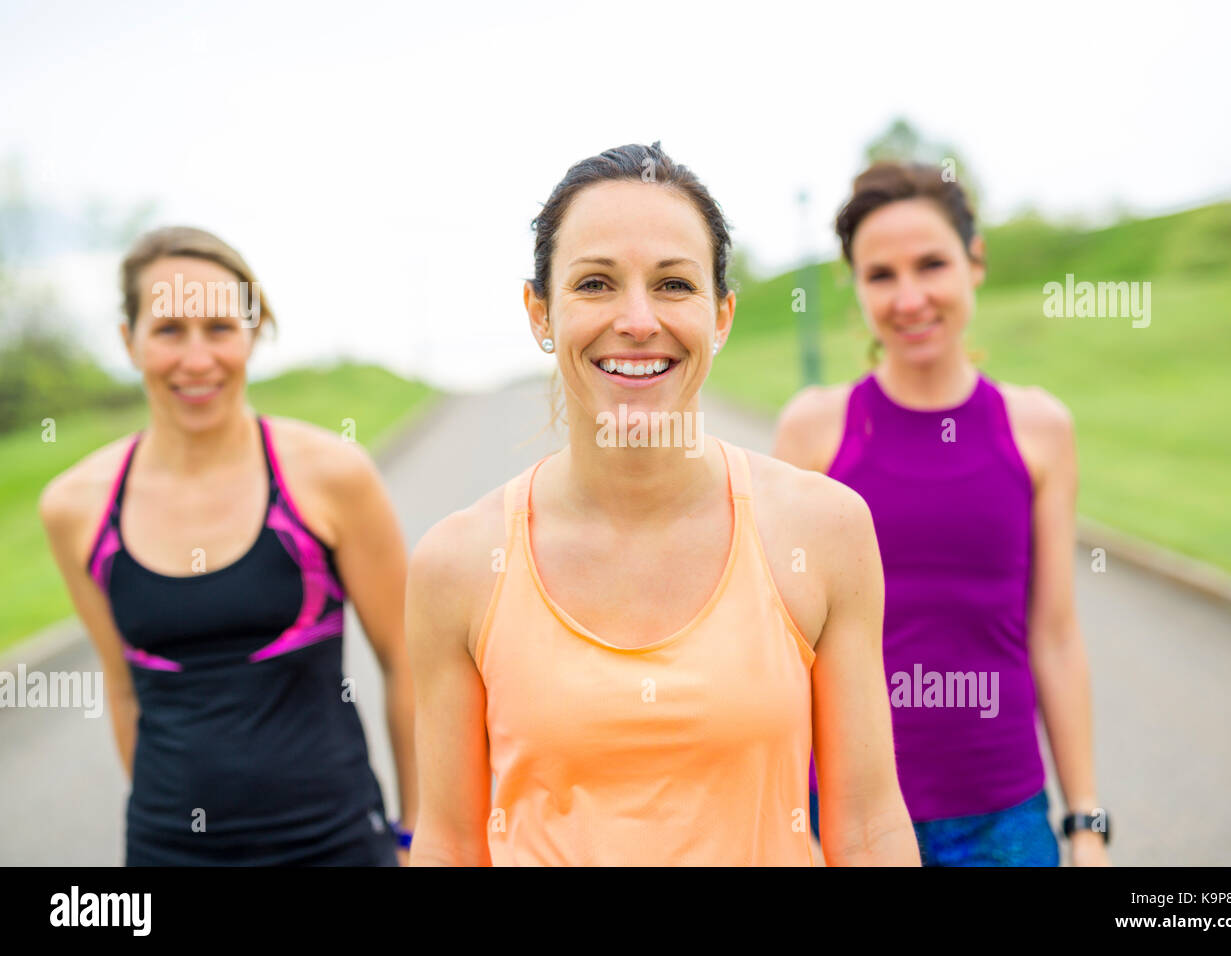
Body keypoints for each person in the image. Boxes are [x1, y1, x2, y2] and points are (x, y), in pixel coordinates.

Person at [405, 143, 919, 866]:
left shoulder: (824, 529)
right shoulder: (456, 563)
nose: (638, 320)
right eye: (595, 284)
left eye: (674, 284)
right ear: (539, 311)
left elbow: (868, 829)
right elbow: (451, 845)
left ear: (722, 315)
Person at [39, 226, 417, 865]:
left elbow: (410, 665)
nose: (196, 359)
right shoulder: (75, 508)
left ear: (252, 333)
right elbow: (124, 689)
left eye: (219, 328)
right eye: (168, 330)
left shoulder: (331, 476)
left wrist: (417, 837)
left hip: (338, 845)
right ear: (128, 341)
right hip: (166, 851)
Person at [774, 162, 1111, 866]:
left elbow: (1054, 634)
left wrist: (1087, 824)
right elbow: (783, 650)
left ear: (975, 262)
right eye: (880, 275)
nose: (910, 297)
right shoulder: (813, 431)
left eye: (931, 264)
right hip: (845, 816)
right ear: (856, 287)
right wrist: (788, 823)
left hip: (1003, 821)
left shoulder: (1039, 428)